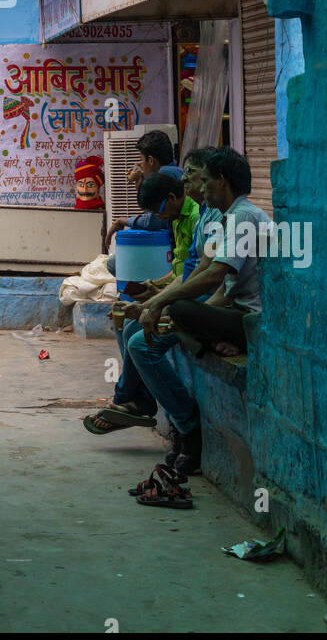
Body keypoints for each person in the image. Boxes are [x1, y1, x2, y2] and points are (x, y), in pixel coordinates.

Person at [82, 148, 220, 461]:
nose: (188, 183)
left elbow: (210, 279)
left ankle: (183, 425)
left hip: (210, 305)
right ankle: (137, 399)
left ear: (219, 182)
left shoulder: (214, 218)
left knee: (140, 340)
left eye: (195, 177)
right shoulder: (202, 217)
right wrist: (153, 291)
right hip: (192, 297)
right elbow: (185, 271)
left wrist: (155, 303)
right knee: (127, 320)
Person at [164, 146, 272, 358]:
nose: (201, 189)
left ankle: (221, 342)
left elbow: (214, 274)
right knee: (177, 316)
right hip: (235, 310)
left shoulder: (243, 217)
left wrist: (163, 303)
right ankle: (215, 341)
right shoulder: (228, 217)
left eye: (205, 181)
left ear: (221, 181)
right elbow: (224, 288)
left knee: (179, 309)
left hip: (251, 318)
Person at [103, 130, 183, 252]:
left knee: (114, 263)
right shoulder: (175, 170)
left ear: (150, 160)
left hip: (174, 250)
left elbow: (154, 222)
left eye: (141, 159)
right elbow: (153, 210)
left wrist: (122, 221)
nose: (140, 165)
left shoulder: (165, 174)